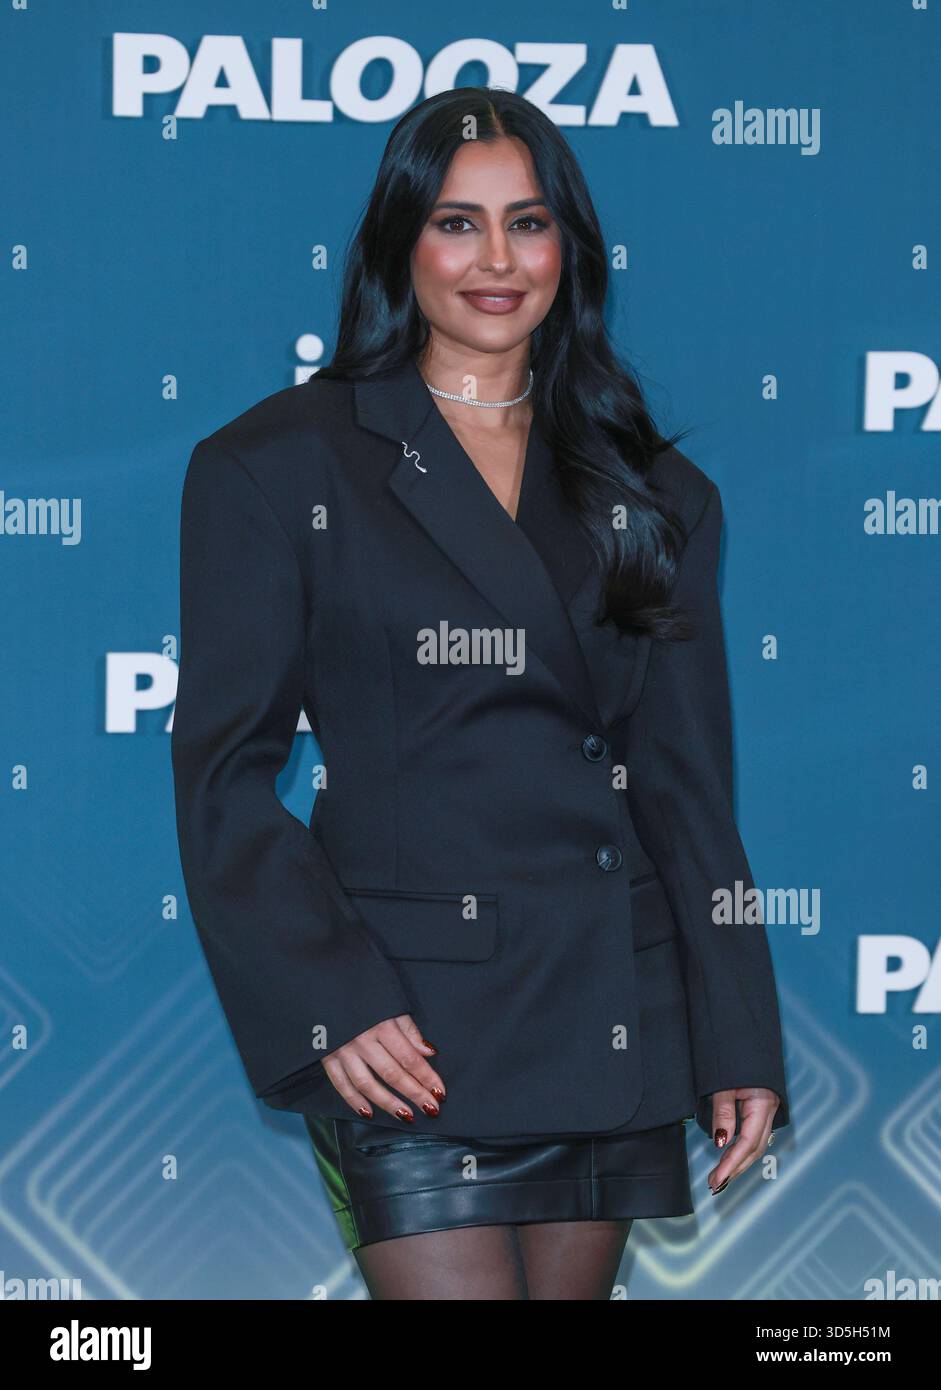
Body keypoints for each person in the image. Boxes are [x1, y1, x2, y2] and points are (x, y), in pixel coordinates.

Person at [170, 86, 790, 1301]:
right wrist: (326, 996)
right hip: (408, 1030)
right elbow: (221, 776)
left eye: (529, 223)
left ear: (572, 248)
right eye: (458, 223)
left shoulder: (656, 491)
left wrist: (734, 1032)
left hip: (605, 1003)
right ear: (402, 242)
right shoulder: (277, 466)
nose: (497, 261)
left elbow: (683, 788)